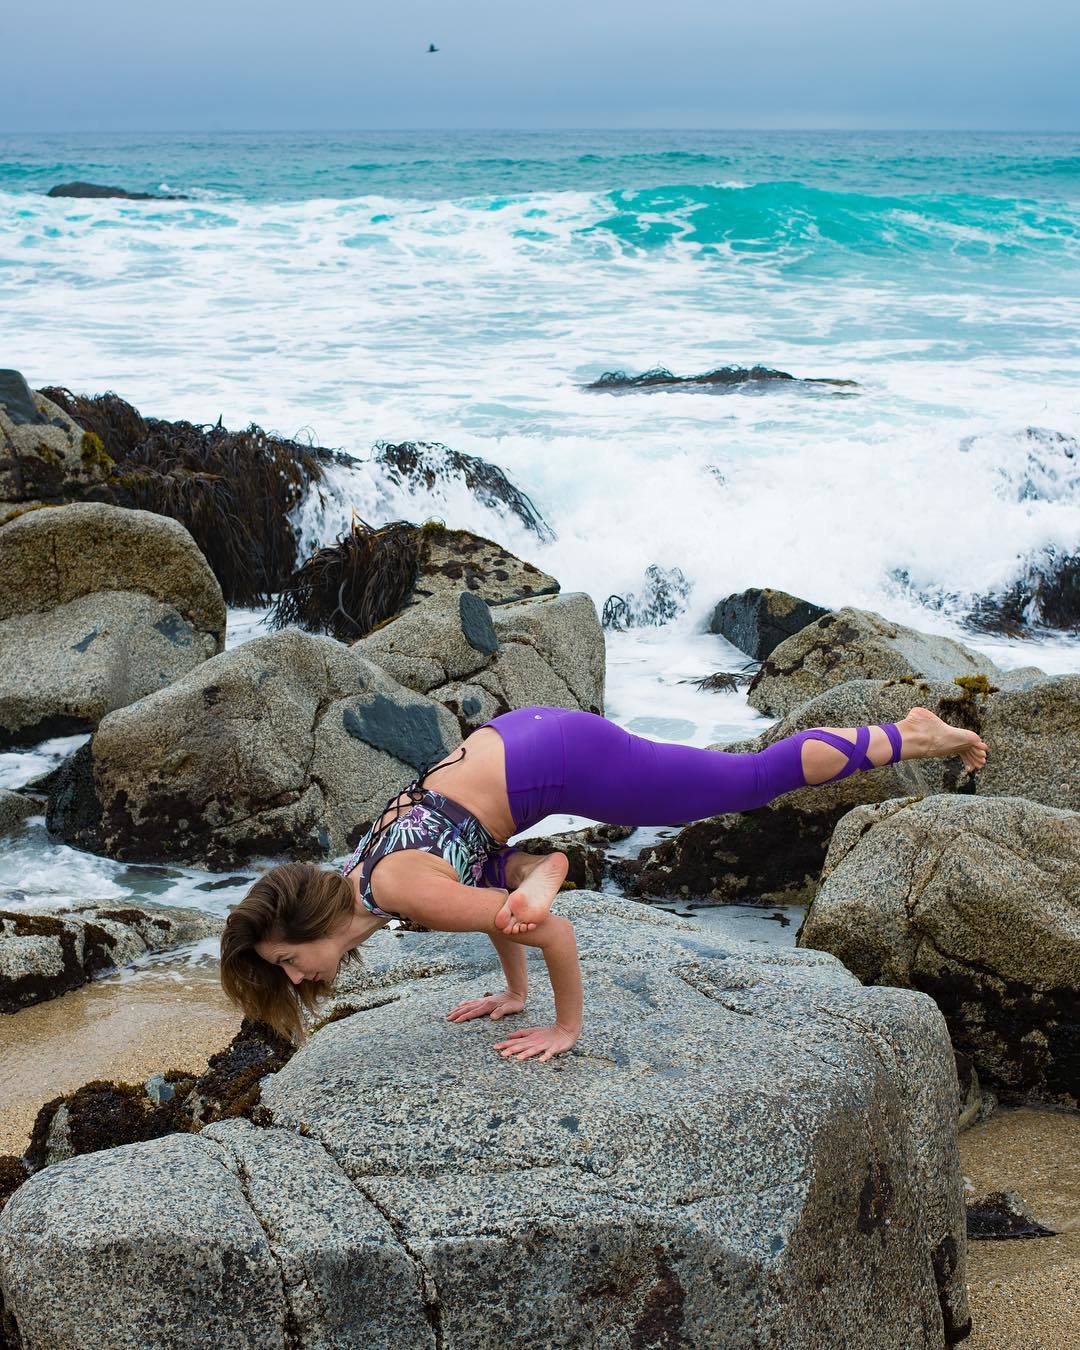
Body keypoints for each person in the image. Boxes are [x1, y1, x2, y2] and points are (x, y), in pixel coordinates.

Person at [219, 704, 988, 1061]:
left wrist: (564, 1028)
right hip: (518, 746)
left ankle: (906, 735)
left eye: (287, 961)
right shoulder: (360, 878)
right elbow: (485, 899)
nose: (299, 976)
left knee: (749, 780)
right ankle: (542, 868)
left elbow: (549, 930)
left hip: (560, 759)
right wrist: (513, 991)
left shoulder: (397, 891)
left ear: (305, 924)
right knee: (510, 890)